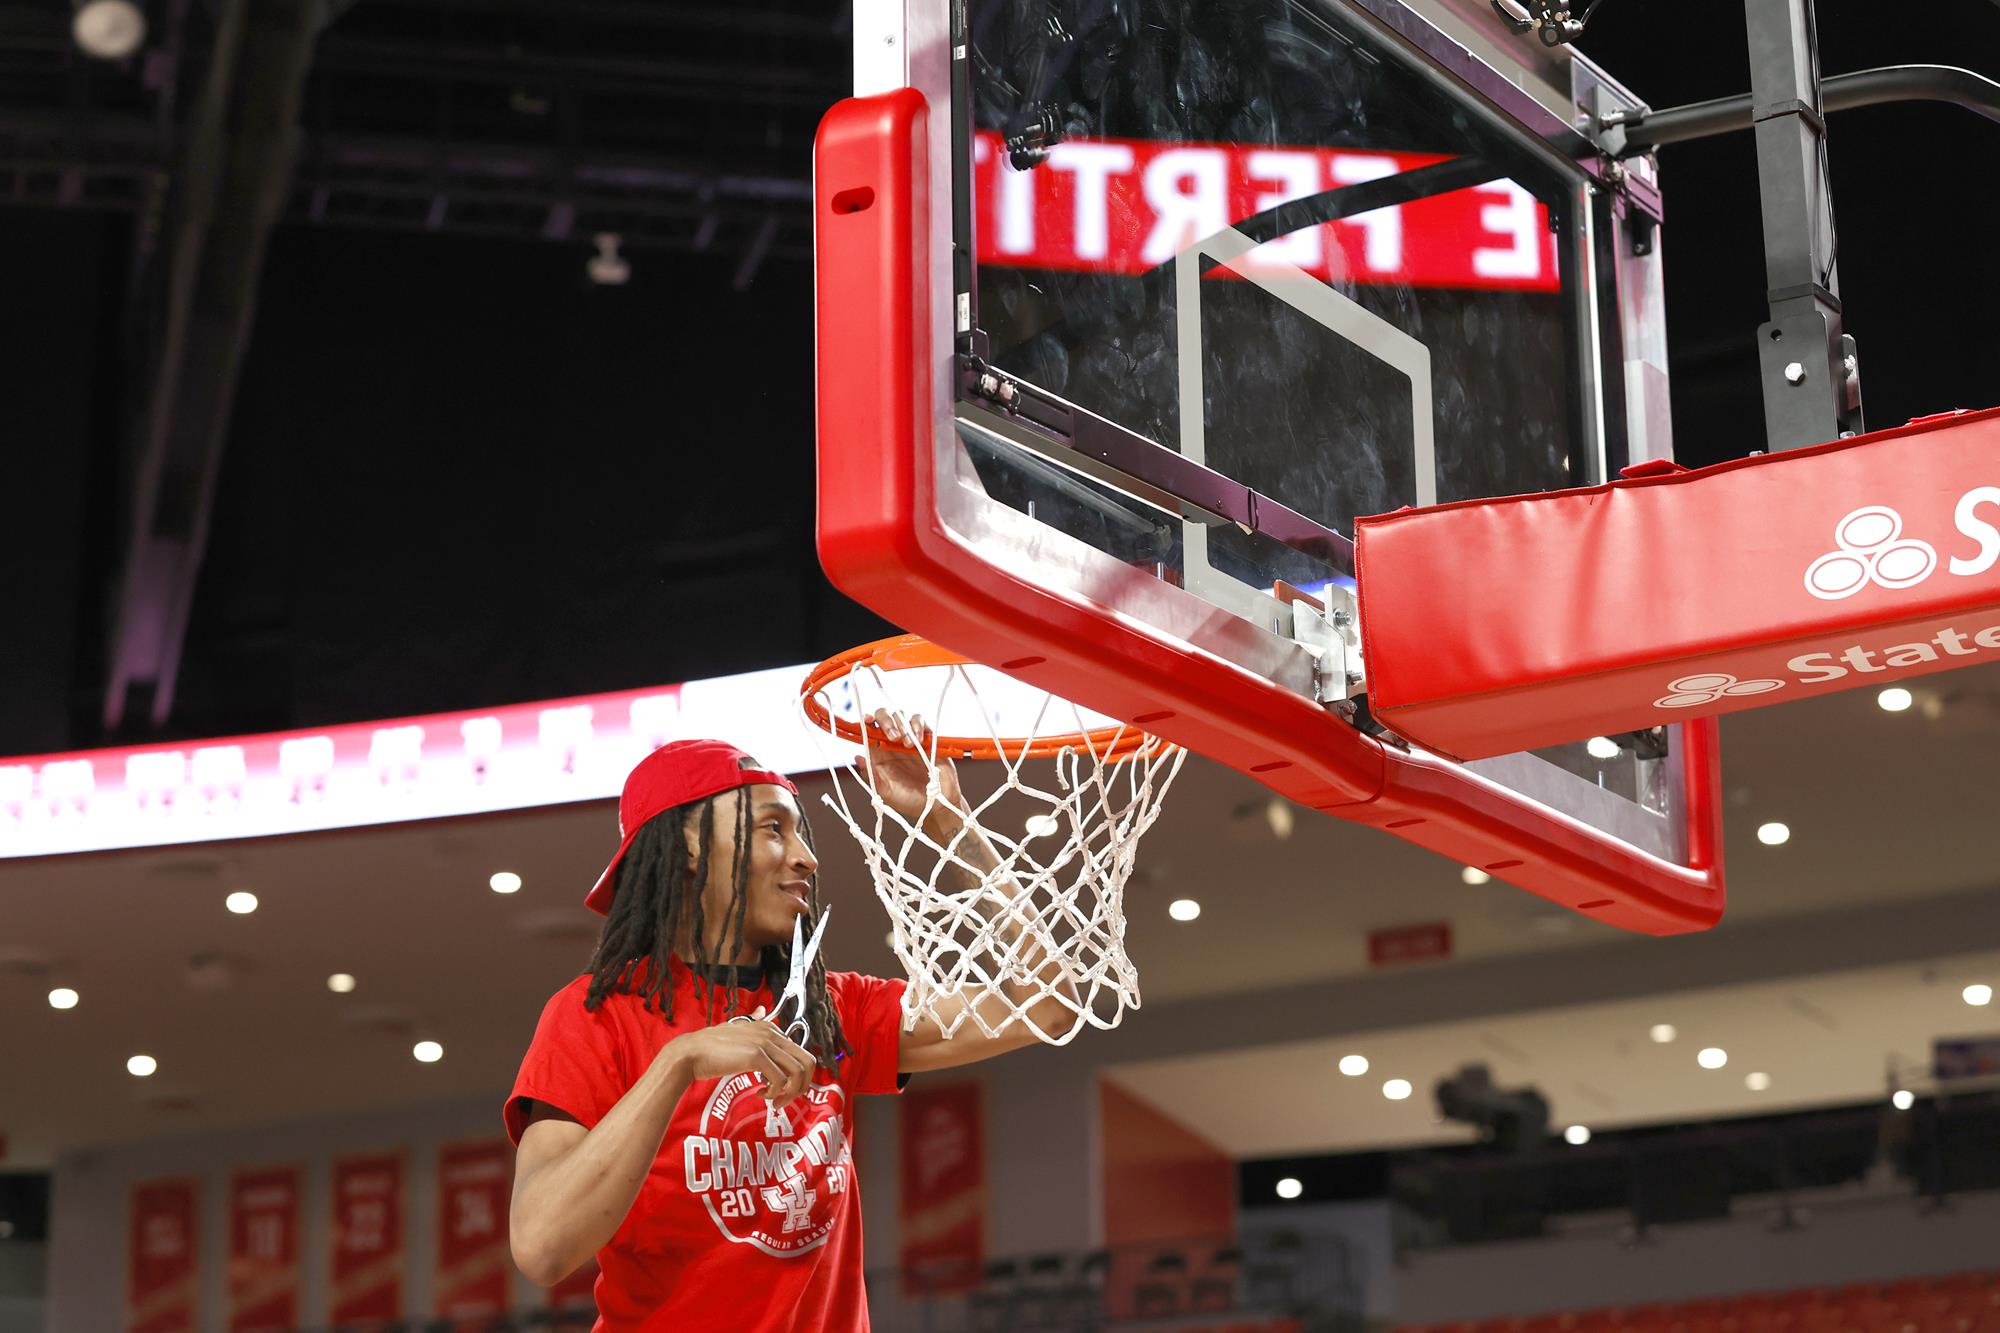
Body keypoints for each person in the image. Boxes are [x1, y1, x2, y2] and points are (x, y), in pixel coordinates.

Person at [504, 717, 1066, 1330]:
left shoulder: (833, 1009)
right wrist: (677, 1063)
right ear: (689, 845)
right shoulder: (596, 1015)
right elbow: (542, 1247)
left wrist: (948, 821)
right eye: (774, 828)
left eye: (800, 833)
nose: (806, 857)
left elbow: (1047, 1006)